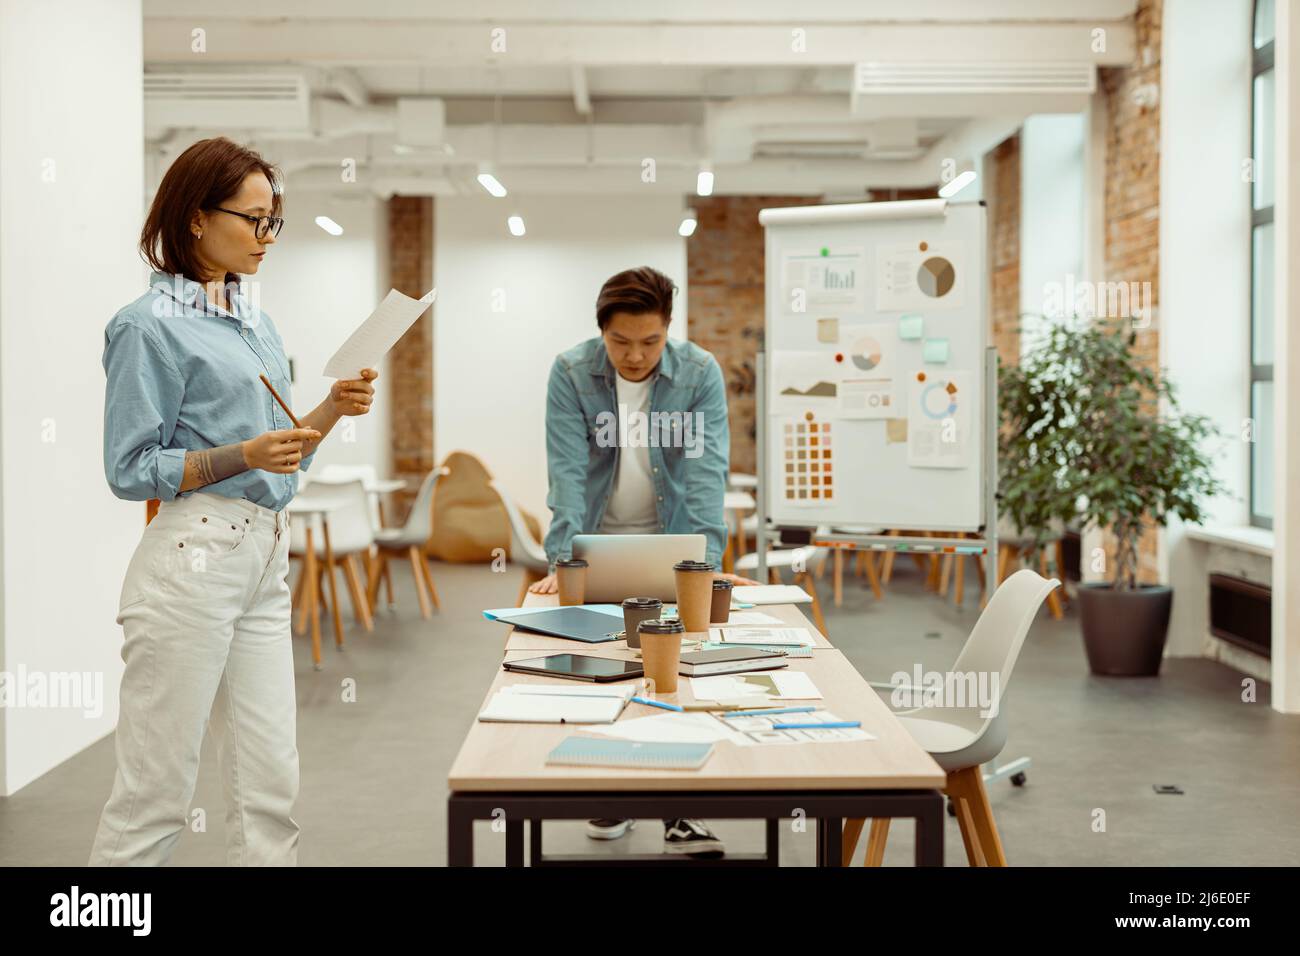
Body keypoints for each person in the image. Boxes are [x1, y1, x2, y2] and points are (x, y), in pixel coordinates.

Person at [89, 137, 378, 866]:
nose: (266, 237)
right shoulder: (145, 326)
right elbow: (129, 468)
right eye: (253, 220)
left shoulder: (256, 323)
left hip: (265, 555)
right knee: (155, 792)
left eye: (272, 221)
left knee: (268, 787)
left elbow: (281, 453)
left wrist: (333, 409)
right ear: (195, 217)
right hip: (193, 559)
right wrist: (240, 456)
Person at [532, 265, 758, 858]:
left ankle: (682, 808)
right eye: (621, 342)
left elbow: (706, 471)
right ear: (601, 332)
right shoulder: (571, 372)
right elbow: (566, 472)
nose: (635, 356)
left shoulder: (699, 373)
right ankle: (613, 792)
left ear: (669, 329)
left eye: (650, 341)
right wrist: (564, 561)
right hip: (595, 546)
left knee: (674, 667)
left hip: (672, 544)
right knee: (602, 665)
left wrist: (706, 562)